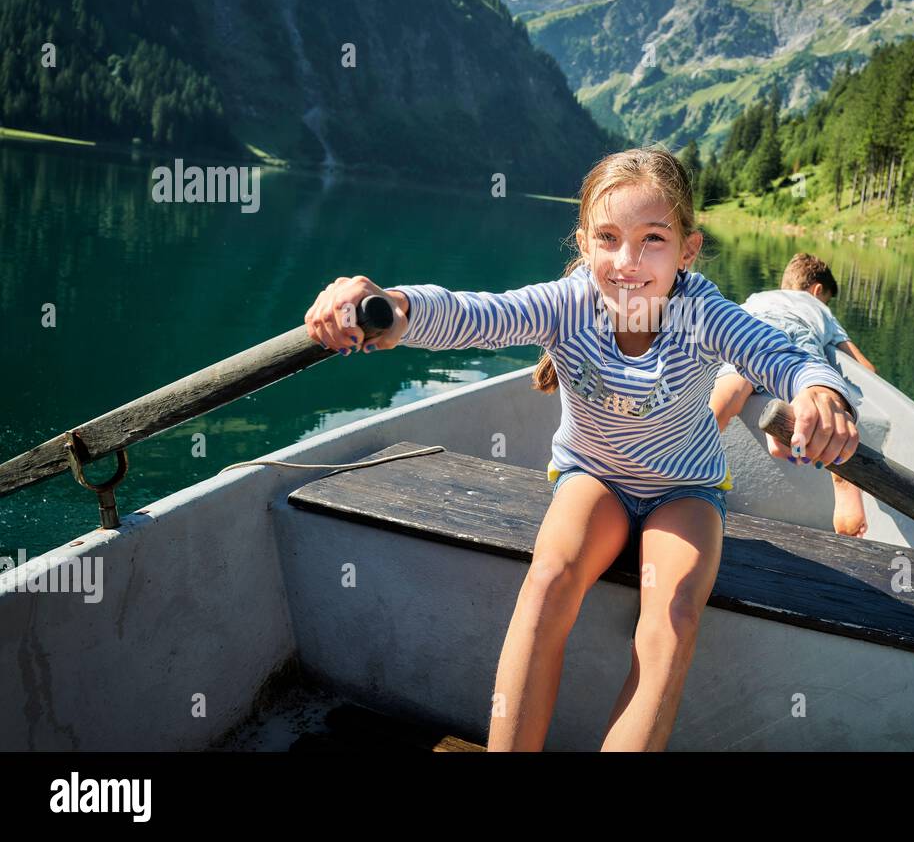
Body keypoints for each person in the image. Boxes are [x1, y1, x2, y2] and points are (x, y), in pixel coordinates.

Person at [302, 146, 860, 752]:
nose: (627, 262)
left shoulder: (703, 312)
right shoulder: (567, 303)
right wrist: (396, 306)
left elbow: (777, 353)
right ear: (585, 242)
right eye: (609, 238)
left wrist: (820, 387)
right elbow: (473, 315)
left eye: (652, 239)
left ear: (687, 250)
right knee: (547, 584)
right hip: (594, 477)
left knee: (671, 618)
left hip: (683, 490)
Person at [709, 252, 876, 538]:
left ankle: (694, 451)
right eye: (827, 300)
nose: (825, 304)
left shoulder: (759, 296)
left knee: (729, 391)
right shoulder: (818, 308)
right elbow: (866, 369)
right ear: (817, 290)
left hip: (750, 329)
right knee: (824, 403)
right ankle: (844, 479)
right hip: (796, 336)